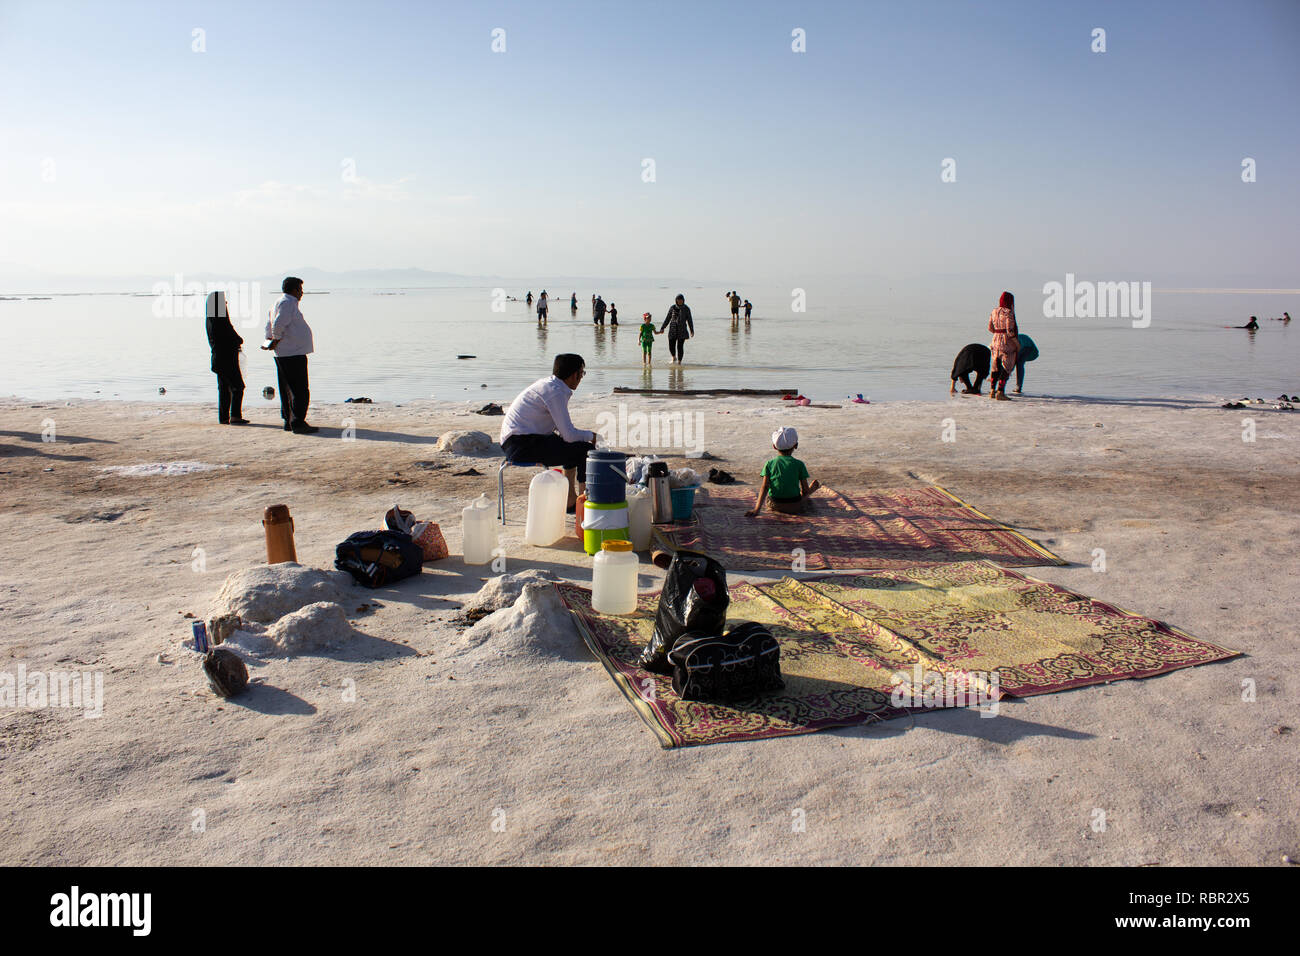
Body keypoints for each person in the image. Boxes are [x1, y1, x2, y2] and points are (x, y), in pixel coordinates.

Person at [500, 354, 598, 511]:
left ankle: (570, 499)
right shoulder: (555, 392)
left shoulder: (550, 385)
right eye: (582, 373)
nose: (581, 378)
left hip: (517, 441)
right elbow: (569, 434)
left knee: (573, 446)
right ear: (575, 374)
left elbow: (564, 432)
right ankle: (585, 503)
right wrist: (593, 436)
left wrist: (581, 436)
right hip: (521, 445)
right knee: (586, 450)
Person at [263, 276, 318, 433]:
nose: (302, 293)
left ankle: (289, 420)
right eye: (300, 289)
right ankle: (298, 422)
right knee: (299, 389)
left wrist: (270, 338)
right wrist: (276, 339)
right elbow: (278, 324)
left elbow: (269, 324)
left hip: (285, 352)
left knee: (287, 388)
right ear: (294, 290)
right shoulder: (288, 302)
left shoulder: (278, 302)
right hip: (292, 352)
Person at [746, 426, 821, 516]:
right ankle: (812, 489)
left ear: (774, 447)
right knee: (805, 495)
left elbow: (765, 487)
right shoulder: (799, 464)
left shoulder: (769, 464)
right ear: (796, 445)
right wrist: (809, 491)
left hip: (774, 505)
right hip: (794, 506)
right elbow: (805, 491)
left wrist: (756, 509)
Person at [205, 290, 247, 425]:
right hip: (227, 358)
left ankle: (223, 417)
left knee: (224, 389)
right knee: (237, 386)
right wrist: (239, 340)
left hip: (218, 358)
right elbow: (231, 336)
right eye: (224, 302)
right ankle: (235, 416)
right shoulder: (222, 322)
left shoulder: (211, 320)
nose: (226, 304)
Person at [987, 291, 1019, 401]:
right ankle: (1000, 392)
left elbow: (990, 328)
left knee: (995, 366)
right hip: (1006, 342)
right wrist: (1017, 343)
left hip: (995, 340)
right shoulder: (1008, 312)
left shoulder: (994, 311)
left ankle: (992, 391)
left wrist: (997, 333)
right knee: (1006, 367)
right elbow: (1010, 331)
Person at [660, 293, 694, 363]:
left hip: (682, 331)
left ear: (683, 300)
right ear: (676, 300)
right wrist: (663, 327)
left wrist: (691, 330)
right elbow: (668, 318)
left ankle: (679, 362)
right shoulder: (673, 308)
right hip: (673, 329)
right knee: (671, 346)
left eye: (681, 300)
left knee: (680, 347)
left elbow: (689, 320)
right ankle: (673, 356)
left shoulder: (686, 308)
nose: (680, 301)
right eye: (678, 300)